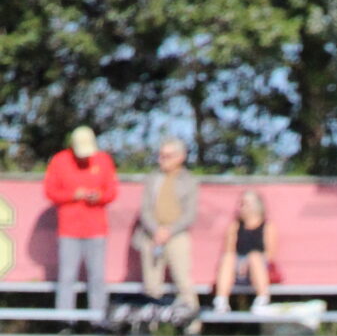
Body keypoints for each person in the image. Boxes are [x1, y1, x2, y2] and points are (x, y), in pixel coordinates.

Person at [43, 125, 118, 325]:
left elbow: (112, 191)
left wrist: (98, 196)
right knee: (67, 276)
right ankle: (65, 321)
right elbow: (50, 192)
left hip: (96, 229)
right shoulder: (60, 161)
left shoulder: (103, 160)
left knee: (97, 276)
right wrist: (72, 195)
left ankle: (99, 320)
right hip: (69, 229)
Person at [133, 138, 200, 317]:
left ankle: (191, 325)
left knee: (183, 282)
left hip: (176, 235)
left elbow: (190, 214)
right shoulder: (153, 179)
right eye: (161, 156)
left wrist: (169, 230)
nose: (162, 160)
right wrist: (156, 230)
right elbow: (145, 209)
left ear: (180, 157)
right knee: (151, 286)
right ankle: (150, 326)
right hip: (151, 235)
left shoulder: (189, 180)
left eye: (167, 156)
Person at [212, 191, 278, 314]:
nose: (241, 207)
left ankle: (262, 298)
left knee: (255, 257)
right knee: (228, 258)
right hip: (238, 265)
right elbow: (229, 249)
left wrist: (250, 262)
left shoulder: (267, 226)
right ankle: (221, 300)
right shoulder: (235, 226)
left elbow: (270, 254)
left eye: (245, 204)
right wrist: (241, 263)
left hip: (258, 266)